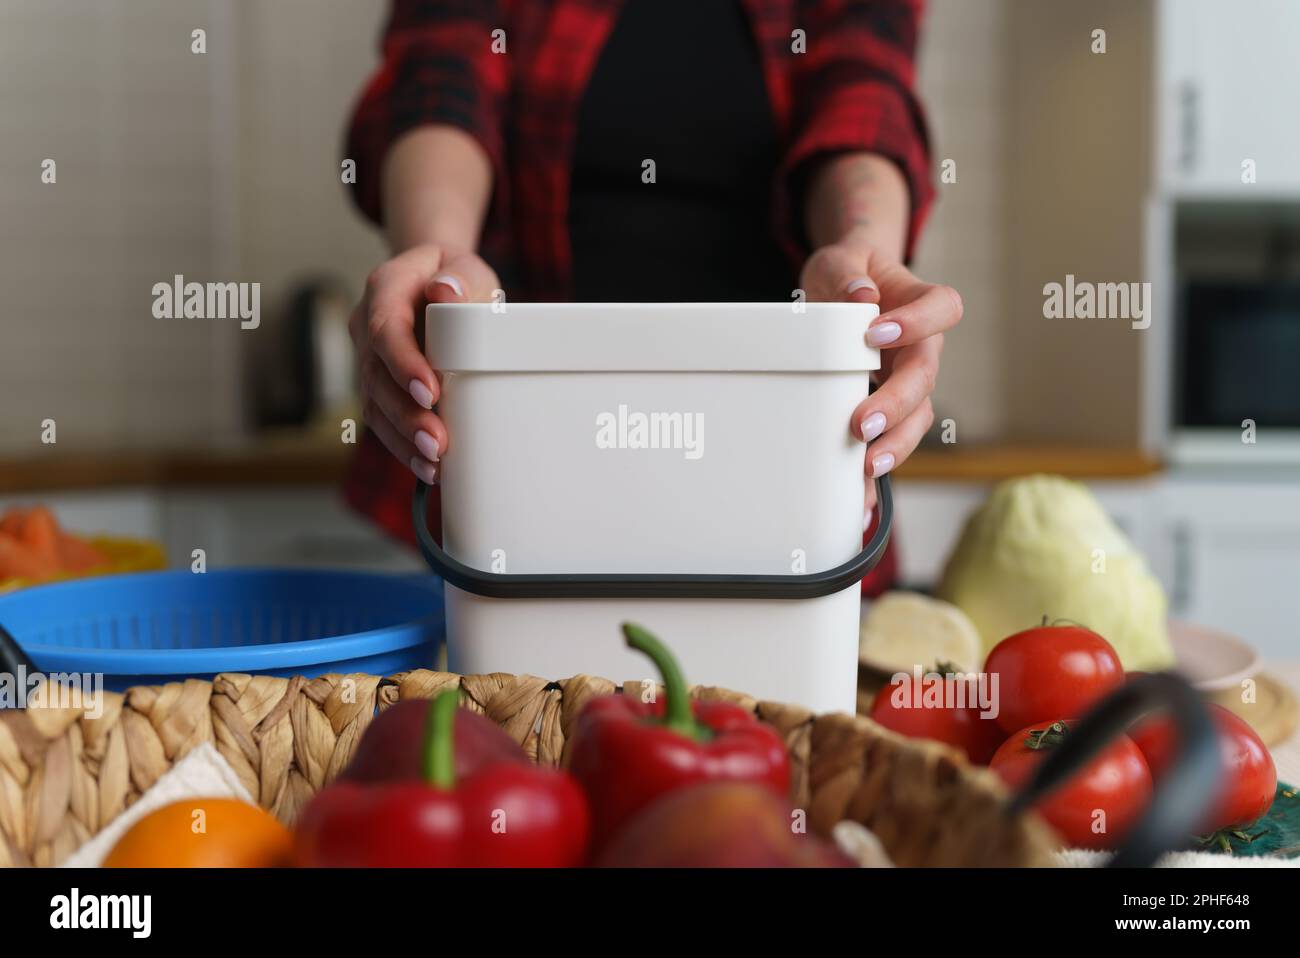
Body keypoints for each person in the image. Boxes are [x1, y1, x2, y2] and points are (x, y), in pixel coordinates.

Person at [342, 0, 962, 593]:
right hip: (514, 472)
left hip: (782, 472)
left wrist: (864, 252)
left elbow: (862, 85)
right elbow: (443, 71)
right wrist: (441, 258)